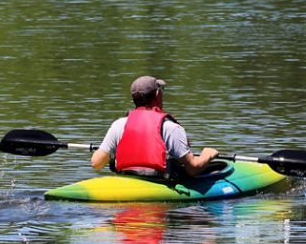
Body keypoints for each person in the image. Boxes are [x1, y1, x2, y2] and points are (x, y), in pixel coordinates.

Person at [90, 76, 219, 178]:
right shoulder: (171, 128)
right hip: (159, 185)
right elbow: (193, 169)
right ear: (157, 94)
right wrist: (207, 155)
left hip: (127, 180)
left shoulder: (118, 125)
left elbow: (96, 163)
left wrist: (113, 153)